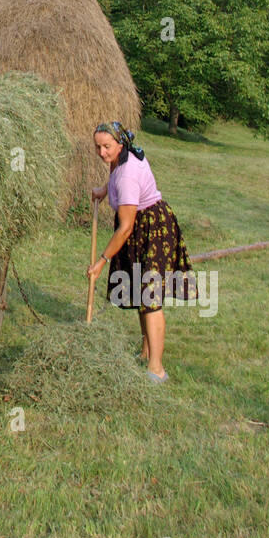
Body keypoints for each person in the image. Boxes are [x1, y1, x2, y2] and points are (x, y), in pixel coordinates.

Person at [87, 121, 195, 382]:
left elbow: (124, 228)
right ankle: (146, 353)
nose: (102, 153)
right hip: (139, 227)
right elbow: (116, 177)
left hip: (153, 230)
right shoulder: (121, 159)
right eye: (98, 147)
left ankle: (156, 370)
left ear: (120, 144)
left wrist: (102, 261)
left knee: (151, 297)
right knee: (139, 290)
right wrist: (104, 190)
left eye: (107, 147)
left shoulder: (127, 174)